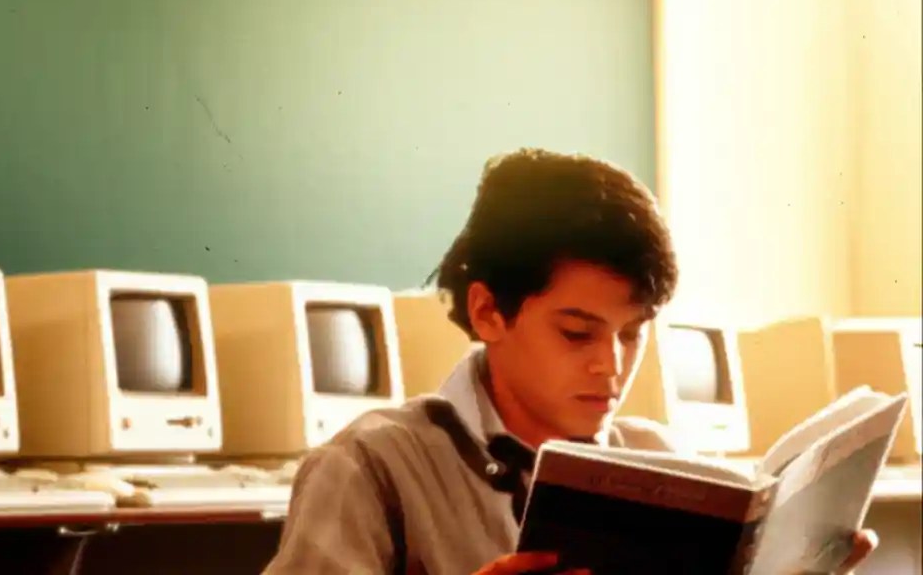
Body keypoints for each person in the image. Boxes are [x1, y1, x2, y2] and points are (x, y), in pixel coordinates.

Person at [263, 148, 878, 575]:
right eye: (578, 333)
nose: (611, 368)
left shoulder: (665, 465)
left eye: (632, 335)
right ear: (487, 313)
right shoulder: (372, 466)